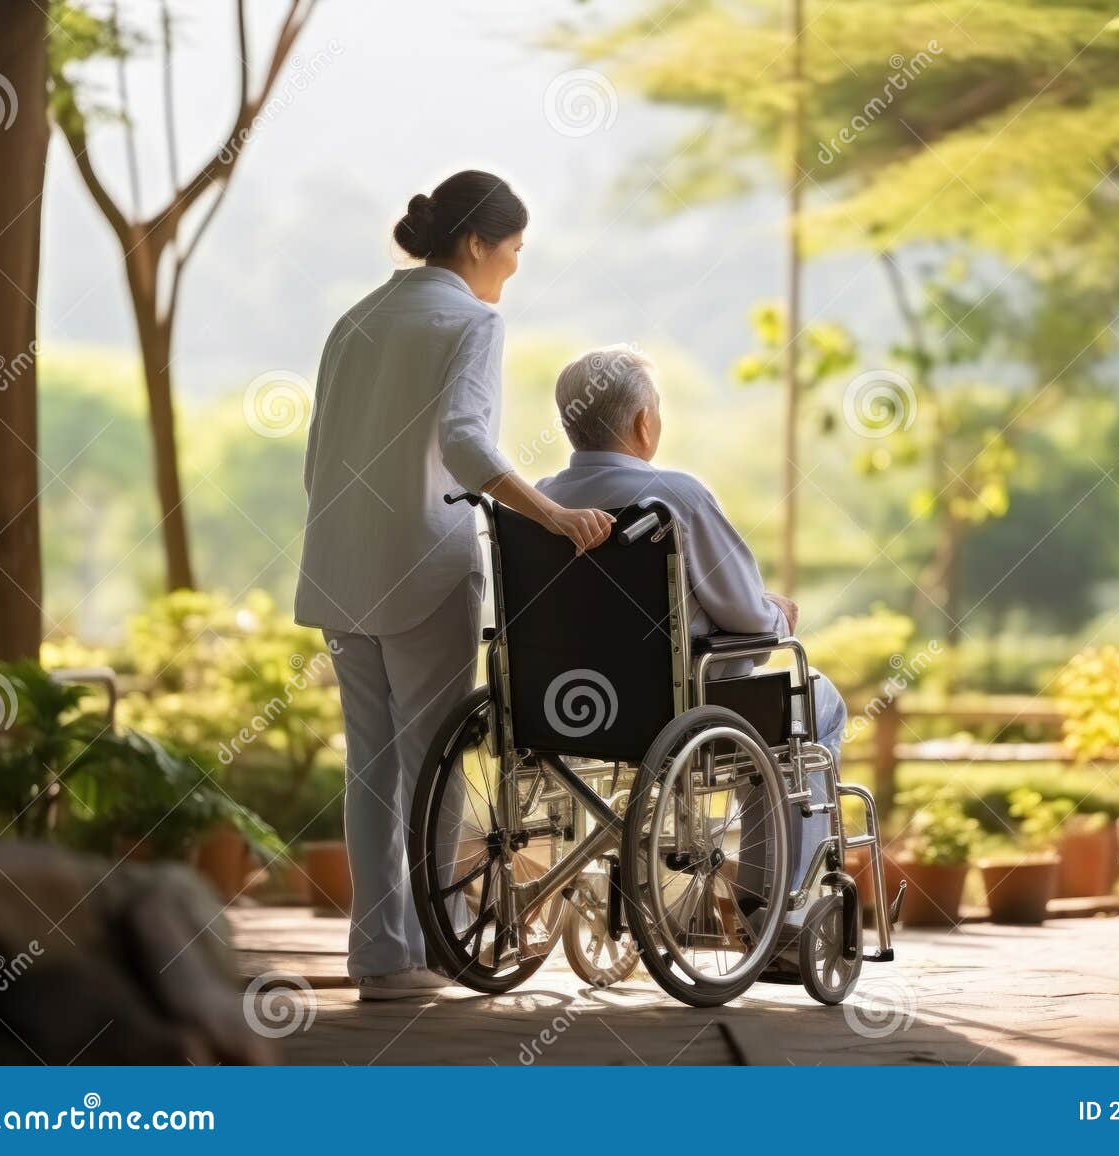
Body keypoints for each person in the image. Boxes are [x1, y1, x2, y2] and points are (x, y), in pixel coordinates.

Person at [295, 171, 613, 1001]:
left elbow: (315, 457)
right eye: (511, 251)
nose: (512, 268)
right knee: (431, 761)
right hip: (421, 566)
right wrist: (550, 514)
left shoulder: (355, 319)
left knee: (371, 769)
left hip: (338, 567)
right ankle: (432, 951)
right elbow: (467, 442)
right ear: (477, 245)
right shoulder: (472, 321)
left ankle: (380, 960)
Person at [535, 344, 848, 759]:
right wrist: (777, 614)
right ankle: (777, 827)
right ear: (643, 423)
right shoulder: (675, 497)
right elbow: (749, 619)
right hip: (676, 707)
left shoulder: (541, 504)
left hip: (565, 707)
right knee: (819, 702)